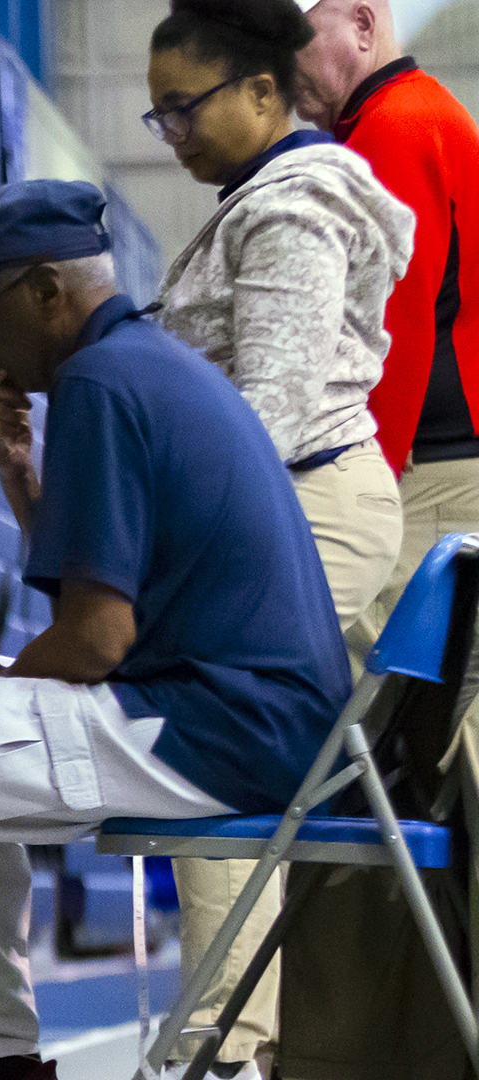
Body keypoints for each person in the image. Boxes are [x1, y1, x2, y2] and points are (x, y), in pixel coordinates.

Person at [0, 180, 349, 1080]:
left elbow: (92, 640)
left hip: (216, 732)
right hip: (258, 727)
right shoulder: (144, 366)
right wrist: (15, 469)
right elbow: (100, 592)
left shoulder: (99, 382)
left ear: (48, 291)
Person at [144, 3, 415, 1071]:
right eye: (157, 114)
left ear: (265, 92)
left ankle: (217, 1049)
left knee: (223, 759)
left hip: (299, 511)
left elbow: (272, 416)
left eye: (185, 107)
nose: (173, 132)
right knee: (252, 776)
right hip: (282, 514)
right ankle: (242, 1047)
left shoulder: (295, 206)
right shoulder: (264, 198)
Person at [295, 0, 479, 710]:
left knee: (319, 679)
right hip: (444, 472)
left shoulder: (393, 129)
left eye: (296, 47)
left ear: (363, 27)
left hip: (431, 479)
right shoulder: (419, 116)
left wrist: (355, 479)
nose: (281, 76)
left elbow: (388, 333)